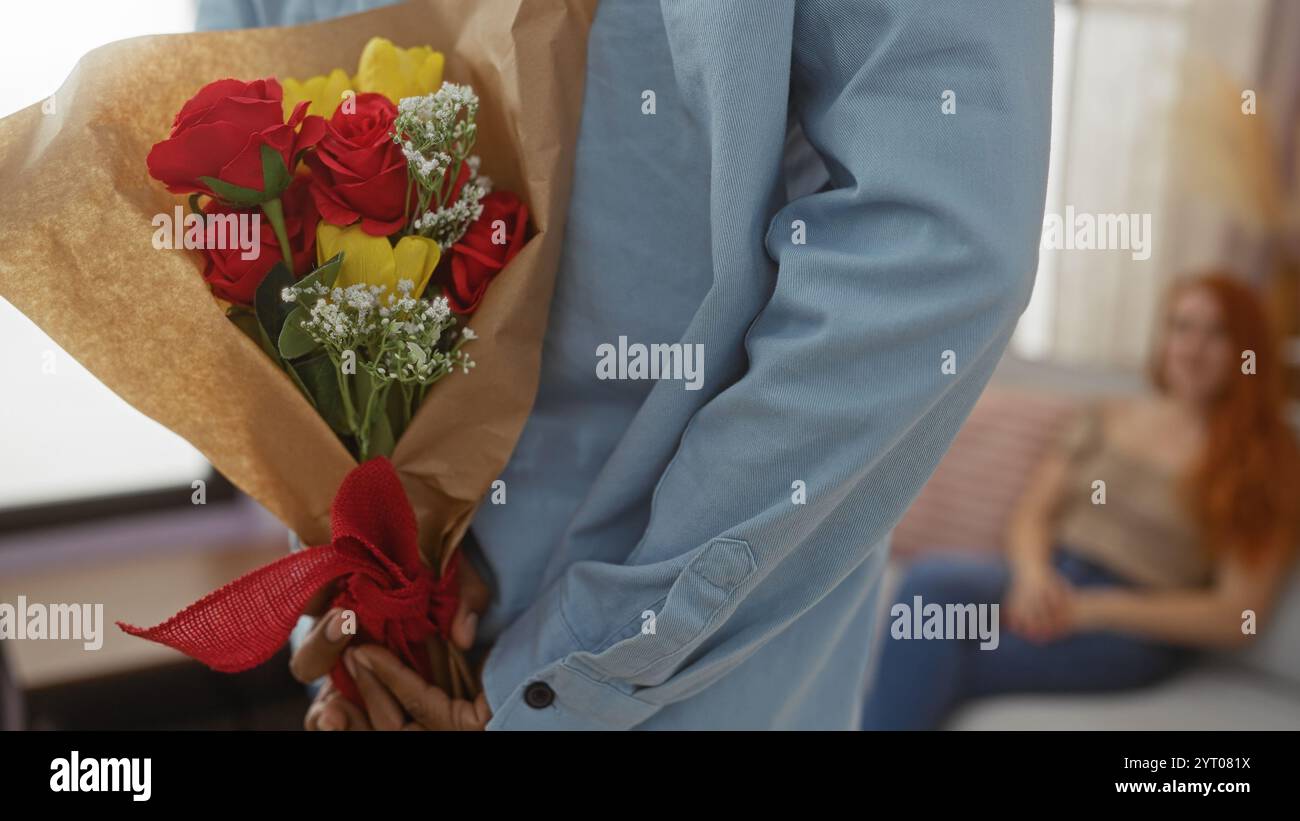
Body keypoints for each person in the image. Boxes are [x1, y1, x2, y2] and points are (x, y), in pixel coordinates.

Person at [201, 0, 1053, 730]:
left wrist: (577, 661)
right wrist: (368, 576)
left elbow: (936, 256)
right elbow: (245, 205)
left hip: (680, 686)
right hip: (393, 668)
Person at [862, 272, 1300, 730]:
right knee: (928, 588)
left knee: (944, 655)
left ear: (1247, 350)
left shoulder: (1266, 460)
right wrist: (1033, 578)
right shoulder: (1107, 415)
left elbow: (1238, 615)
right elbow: (1033, 513)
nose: (1192, 347)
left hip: (1134, 621)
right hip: (1052, 576)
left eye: (1217, 333)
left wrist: (1094, 609)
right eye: (1181, 326)